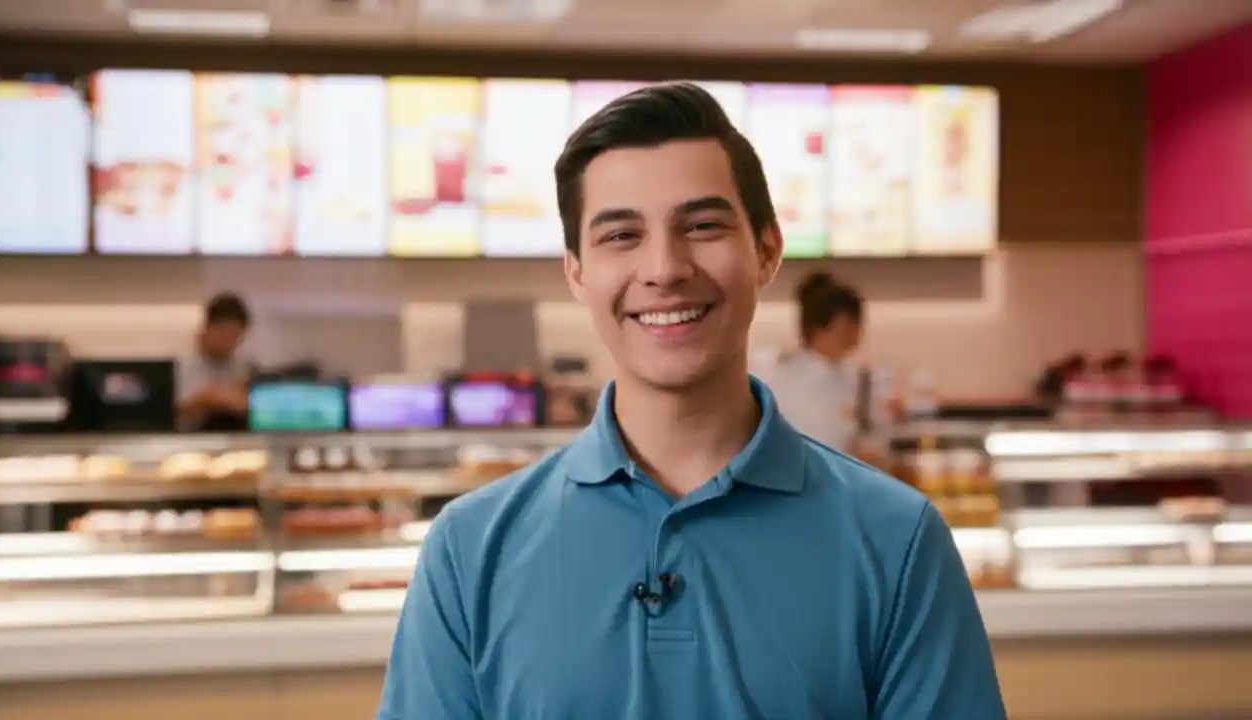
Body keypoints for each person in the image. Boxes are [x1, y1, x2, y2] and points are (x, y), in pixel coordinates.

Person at [377, 83, 1005, 719]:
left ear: (766, 249)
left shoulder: (896, 539)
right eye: (621, 235)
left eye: (702, 226)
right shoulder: (469, 549)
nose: (665, 267)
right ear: (577, 272)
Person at [762, 272, 867, 451]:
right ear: (822, 328)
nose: (857, 332)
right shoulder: (792, 381)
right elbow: (821, 443)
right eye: (850, 324)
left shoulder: (845, 373)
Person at [176, 292, 252, 431]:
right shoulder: (182, 367)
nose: (228, 343)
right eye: (223, 334)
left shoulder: (243, 370)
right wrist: (204, 400)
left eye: (234, 337)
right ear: (207, 328)